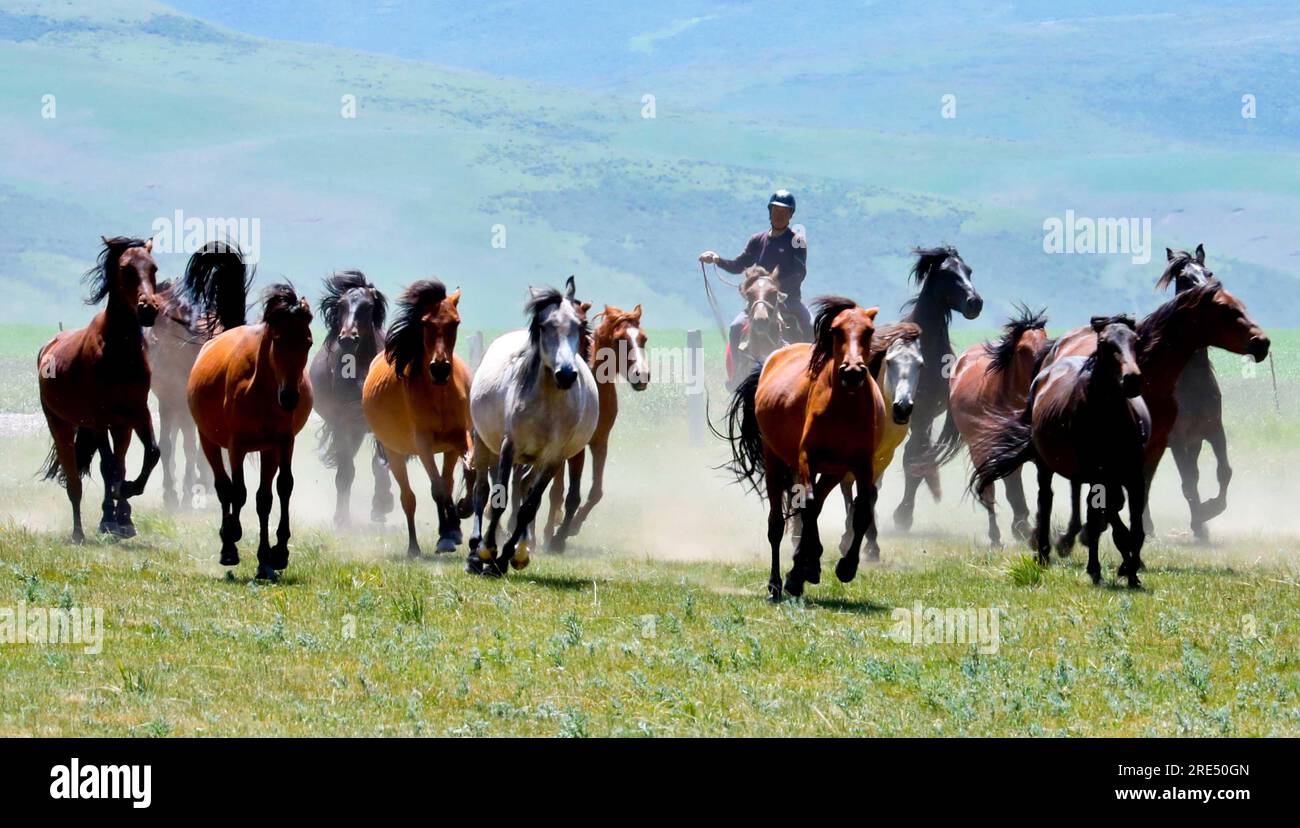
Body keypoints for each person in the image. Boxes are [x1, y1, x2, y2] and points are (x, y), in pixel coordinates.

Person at [699, 190, 810, 367]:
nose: (779, 215)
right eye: (775, 211)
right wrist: (717, 260)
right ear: (769, 212)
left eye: (784, 212)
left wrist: (774, 286)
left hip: (789, 301)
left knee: (808, 324)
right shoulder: (757, 240)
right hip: (759, 302)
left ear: (791, 215)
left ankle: (810, 374)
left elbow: (799, 273)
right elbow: (738, 265)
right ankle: (736, 375)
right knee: (736, 328)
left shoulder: (797, 240)